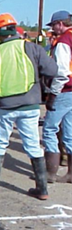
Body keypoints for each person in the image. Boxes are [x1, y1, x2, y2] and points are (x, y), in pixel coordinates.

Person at [0, 13, 57, 200]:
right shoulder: (32, 48)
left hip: (4, 106)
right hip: (29, 105)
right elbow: (52, 70)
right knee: (33, 145)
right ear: (15, 30)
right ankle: (42, 190)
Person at [42, 10, 72, 184]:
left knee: (49, 130)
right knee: (69, 132)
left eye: (53, 25)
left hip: (65, 90)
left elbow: (61, 72)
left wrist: (53, 93)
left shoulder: (63, 41)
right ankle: (70, 174)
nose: (53, 29)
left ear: (60, 24)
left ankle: (50, 173)